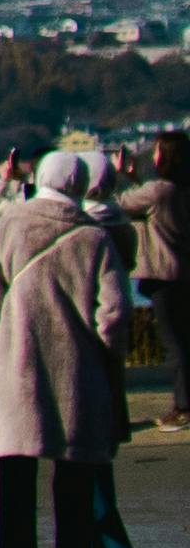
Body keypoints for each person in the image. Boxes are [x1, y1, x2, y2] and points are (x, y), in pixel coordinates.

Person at [0, 148, 141, 548]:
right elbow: (116, 312)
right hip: (75, 373)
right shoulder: (94, 237)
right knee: (74, 478)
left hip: (14, 371)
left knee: (15, 476)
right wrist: (107, 356)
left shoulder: (10, 226)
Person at [122, 136, 190, 435]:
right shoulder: (180, 190)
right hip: (184, 275)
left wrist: (123, 176)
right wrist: (136, 178)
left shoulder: (158, 191)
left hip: (165, 277)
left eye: (158, 151)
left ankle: (184, 406)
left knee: (175, 345)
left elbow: (122, 204)